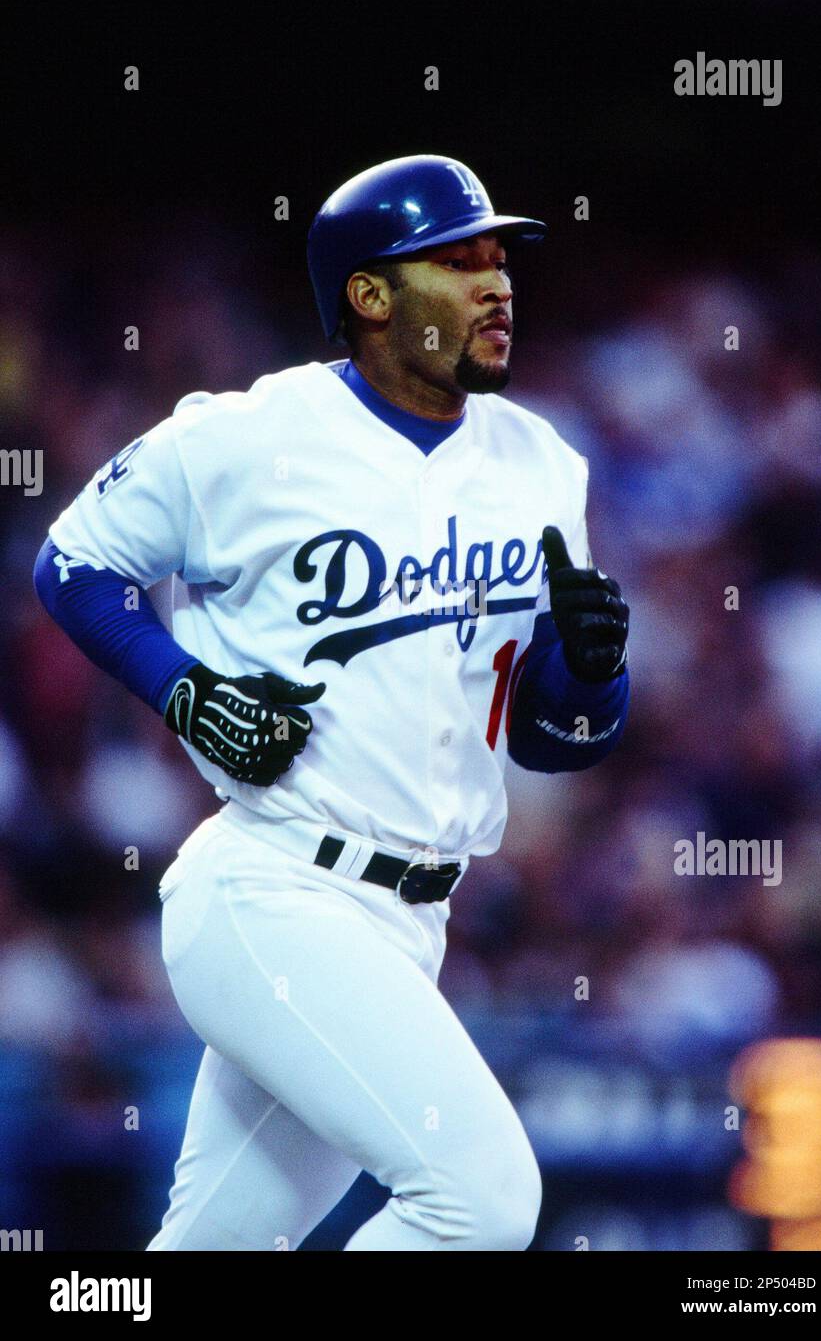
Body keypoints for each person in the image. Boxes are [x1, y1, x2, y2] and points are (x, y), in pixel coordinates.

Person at [33, 154, 630, 1251]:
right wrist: (183, 689)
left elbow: (555, 740)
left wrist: (591, 674)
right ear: (369, 293)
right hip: (272, 889)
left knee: (218, 1246)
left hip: (410, 919)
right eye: (460, 260)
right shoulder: (246, 436)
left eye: (500, 258)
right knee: (482, 1200)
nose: (498, 284)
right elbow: (71, 564)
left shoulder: (542, 463)